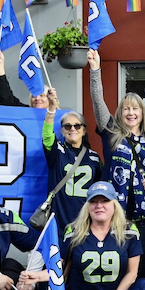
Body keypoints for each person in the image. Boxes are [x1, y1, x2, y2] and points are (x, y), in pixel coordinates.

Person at [88, 48, 145, 290]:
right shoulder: (112, 134)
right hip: (116, 212)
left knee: (139, 263)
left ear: (143, 112)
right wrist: (95, 71)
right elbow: (98, 103)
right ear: (120, 113)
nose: (131, 113)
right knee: (116, 257)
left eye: (135, 109)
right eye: (126, 109)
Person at [39, 88, 103, 233]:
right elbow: (47, 136)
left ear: (84, 130)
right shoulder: (57, 151)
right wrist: (52, 107)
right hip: (59, 221)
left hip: (86, 222)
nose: (72, 129)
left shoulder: (94, 158)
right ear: (62, 131)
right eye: (67, 126)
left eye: (77, 125)